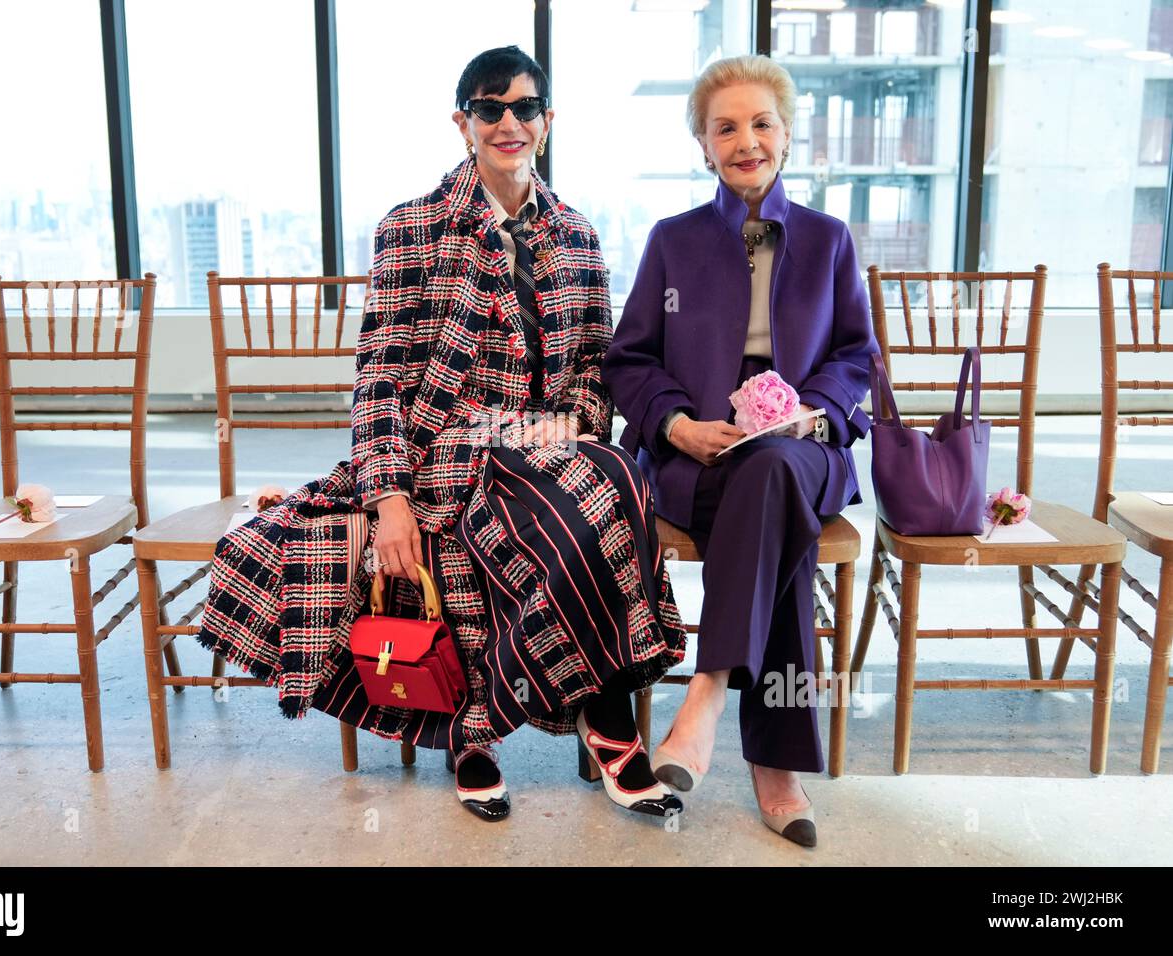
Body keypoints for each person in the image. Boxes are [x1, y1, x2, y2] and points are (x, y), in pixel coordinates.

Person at [198, 46, 687, 823]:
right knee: (539, 503)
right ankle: (598, 723)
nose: (507, 122)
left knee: (614, 476)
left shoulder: (578, 234)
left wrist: (572, 427)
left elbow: (596, 367)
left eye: (524, 107)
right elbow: (382, 375)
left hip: (548, 441)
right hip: (446, 442)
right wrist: (388, 497)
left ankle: (498, 726)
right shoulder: (413, 226)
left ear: (547, 123)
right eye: (488, 107)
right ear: (462, 122)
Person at [602, 54, 878, 848]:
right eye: (725, 127)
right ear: (704, 146)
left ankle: (709, 691)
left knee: (776, 471)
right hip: (701, 462)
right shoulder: (674, 241)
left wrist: (815, 413)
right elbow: (629, 359)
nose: (745, 140)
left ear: (787, 136)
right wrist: (677, 425)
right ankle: (776, 766)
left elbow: (858, 357)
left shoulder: (828, 240)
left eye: (761, 123)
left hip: (805, 452)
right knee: (771, 510)